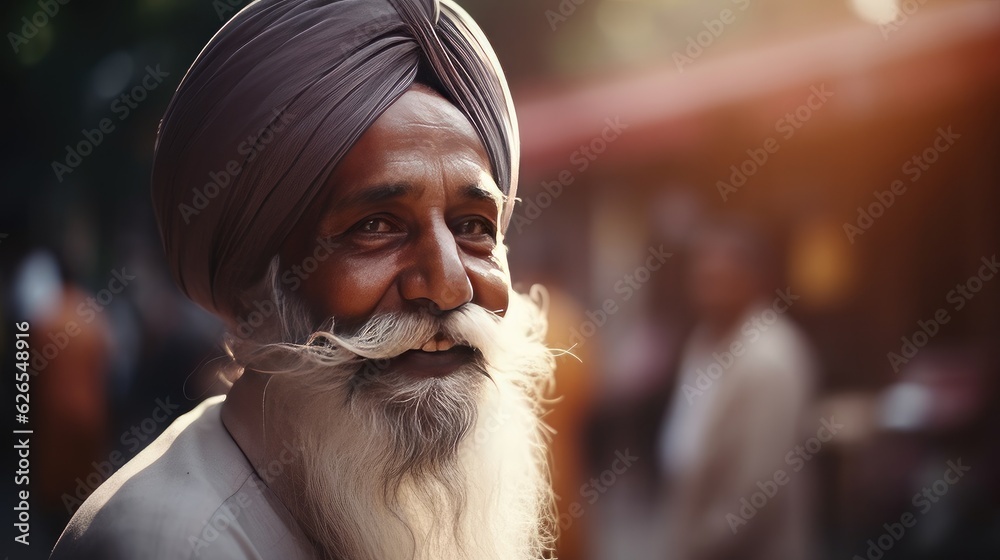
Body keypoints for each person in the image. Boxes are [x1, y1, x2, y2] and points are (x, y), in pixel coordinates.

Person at [49, 1, 557, 559]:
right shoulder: (174, 546)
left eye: (473, 227)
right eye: (376, 226)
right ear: (255, 278)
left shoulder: (411, 512)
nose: (449, 285)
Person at [656, 216, 817, 560]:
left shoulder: (770, 358)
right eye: (702, 278)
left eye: (720, 280)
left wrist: (697, 546)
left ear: (752, 280)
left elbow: (758, 493)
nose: (707, 291)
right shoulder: (703, 339)